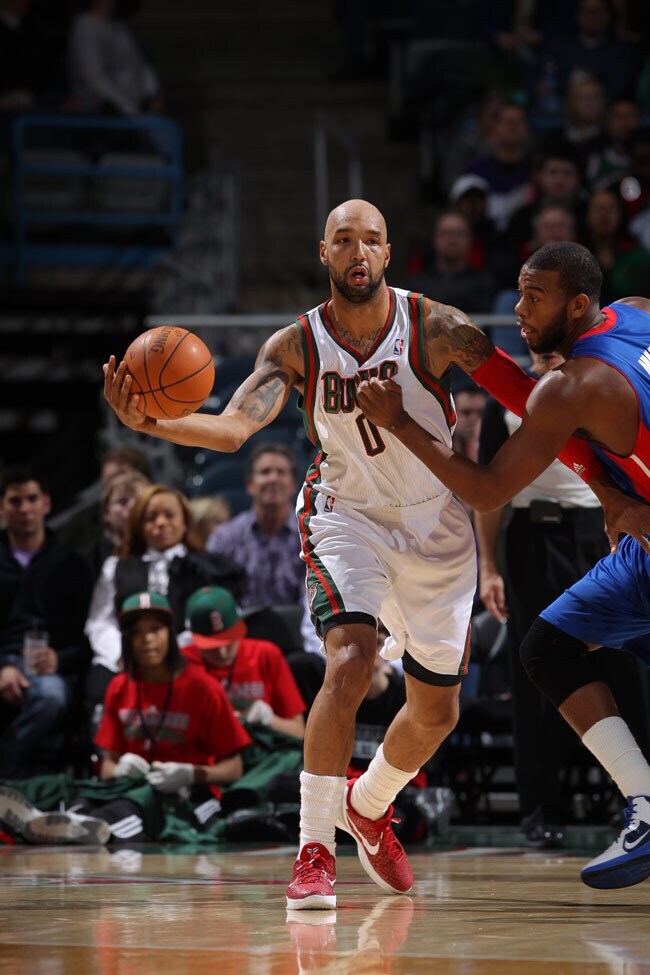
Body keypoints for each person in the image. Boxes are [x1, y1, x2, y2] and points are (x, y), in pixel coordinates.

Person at [103, 200, 625, 909]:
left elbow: (534, 401)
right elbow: (230, 431)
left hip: (437, 524)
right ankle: (314, 849)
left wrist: (608, 485)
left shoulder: (437, 326)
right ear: (324, 252)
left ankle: (370, 804)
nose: (358, 251)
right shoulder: (295, 347)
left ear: (387, 252)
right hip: (348, 518)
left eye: (371, 240)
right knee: (349, 658)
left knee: (436, 714)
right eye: (344, 240)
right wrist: (156, 415)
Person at [355, 239, 650, 890]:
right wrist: (611, 492)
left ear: (576, 304)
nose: (517, 307)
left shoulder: (572, 385)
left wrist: (400, 420)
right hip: (631, 535)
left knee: (564, 653)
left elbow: (488, 489)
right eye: (518, 291)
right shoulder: (635, 311)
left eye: (533, 296)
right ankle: (645, 800)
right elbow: (572, 420)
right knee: (547, 646)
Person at [476, 349, 650, 847]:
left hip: (597, 529)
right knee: (534, 668)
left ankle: (635, 800)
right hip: (531, 536)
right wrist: (488, 567)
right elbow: (489, 494)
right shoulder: (503, 404)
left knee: (623, 669)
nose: (544, 353)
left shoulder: (593, 384)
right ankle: (540, 811)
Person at [84, 483, 245, 715]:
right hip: (125, 660)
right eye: (151, 517)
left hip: (189, 657)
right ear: (139, 525)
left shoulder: (207, 569)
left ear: (185, 522)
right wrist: (124, 653)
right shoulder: (116, 567)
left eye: (169, 515)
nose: (161, 523)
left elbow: (213, 622)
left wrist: (167, 654)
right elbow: (100, 622)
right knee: (100, 684)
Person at [0, 465, 93, 778]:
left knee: (52, 697)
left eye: (31, 499)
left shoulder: (71, 565)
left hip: (46, 668)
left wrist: (59, 658)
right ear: (2, 507)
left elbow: (85, 640)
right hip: (4, 661)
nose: (24, 508)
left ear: (46, 504)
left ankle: (5, 772)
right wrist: (3, 667)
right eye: (15, 501)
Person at [182, 585, 306, 741]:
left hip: (263, 755)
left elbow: (300, 731)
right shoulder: (183, 662)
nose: (222, 653)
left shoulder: (266, 655)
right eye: (212, 647)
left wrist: (269, 720)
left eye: (229, 643)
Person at [207, 443, 304, 608]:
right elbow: (215, 597)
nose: (273, 478)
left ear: (294, 485)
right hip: (240, 630)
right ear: (249, 484)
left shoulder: (310, 536)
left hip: (300, 629)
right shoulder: (224, 537)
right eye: (265, 472)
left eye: (281, 472)